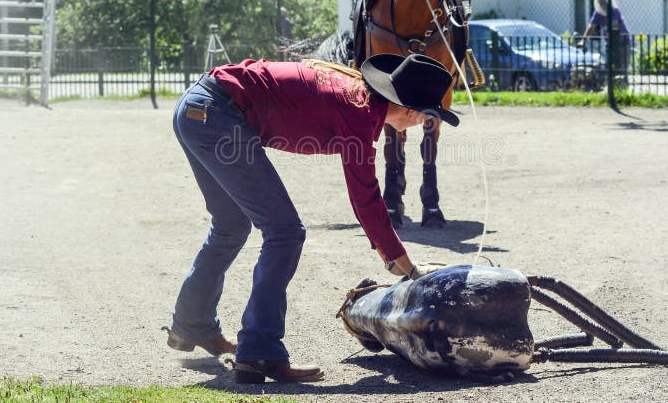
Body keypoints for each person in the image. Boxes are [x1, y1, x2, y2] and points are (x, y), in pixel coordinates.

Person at [162, 53, 459, 383]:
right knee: (285, 232)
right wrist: (409, 268)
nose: (424, 123)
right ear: (410, 109)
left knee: (231, 225)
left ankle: (192, 323)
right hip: (215, 115)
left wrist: (395, 258)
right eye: (428, 115)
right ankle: (259, 352)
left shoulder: (360, 99)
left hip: (197, 108)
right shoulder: (358, 111)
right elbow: (366, 199)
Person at [577, 0, 631, 83]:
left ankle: (623, 86)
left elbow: (614, 26)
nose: (602, 4)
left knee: (622, 66)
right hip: (610, 43)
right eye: (600, 3)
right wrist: (583, 39)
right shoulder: (598, 13)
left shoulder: (615, 11)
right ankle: (611, 86)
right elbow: (591, 26)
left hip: (622, 41)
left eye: (604, 2)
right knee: (610, 66)